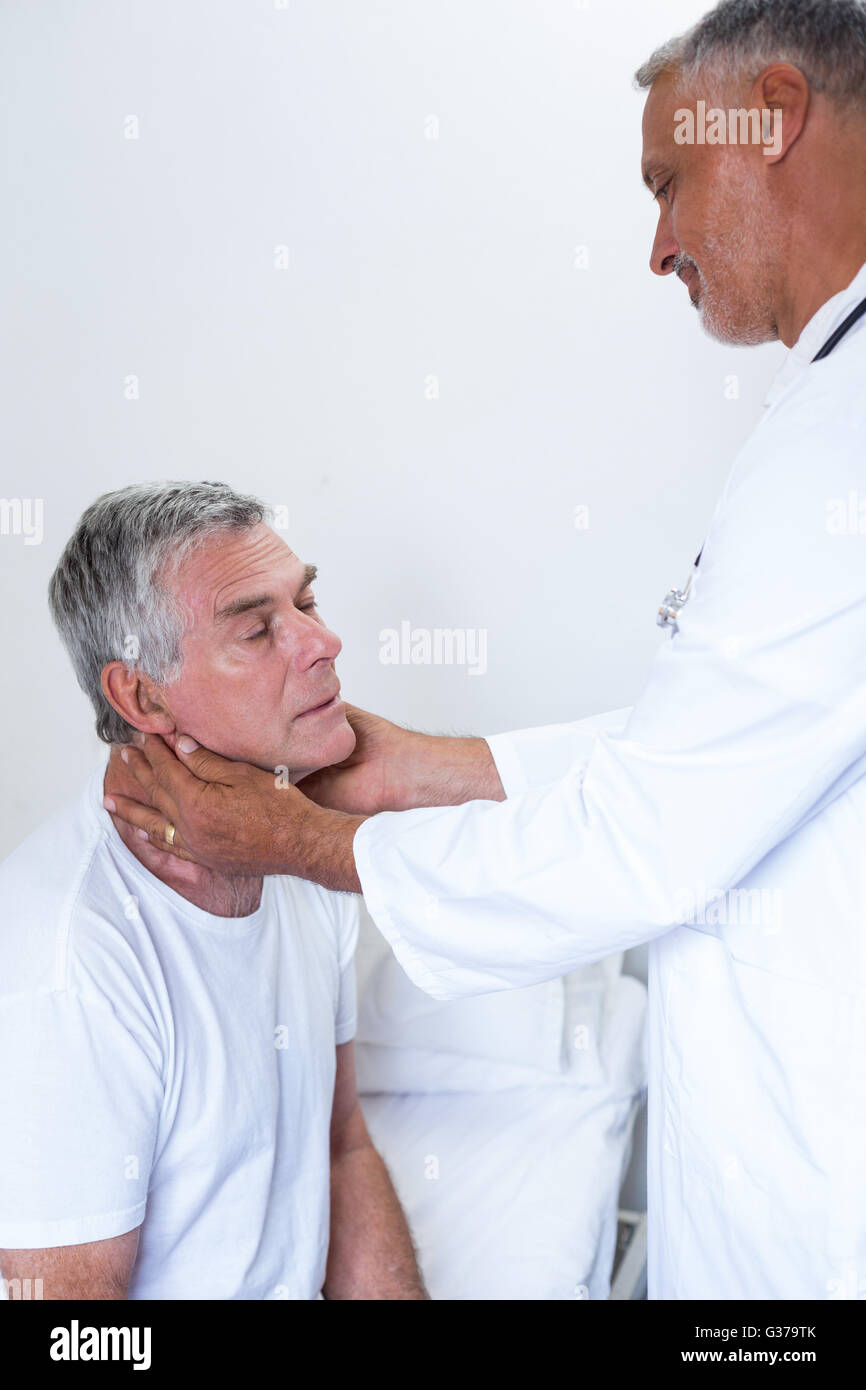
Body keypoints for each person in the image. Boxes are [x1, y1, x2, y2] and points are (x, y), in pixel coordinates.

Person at [106, 0, 866, 1299]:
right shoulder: (83, 955)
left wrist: (307, 843)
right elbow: (710, 756)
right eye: (254, 623)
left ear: (774, 116)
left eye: (666, 184)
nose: (657, 246)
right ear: (133, 693)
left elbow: (651, 832)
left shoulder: (839, 443)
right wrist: (418, 770)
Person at [0, 481, 426, 1301]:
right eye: (259, 628)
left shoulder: (305, 852)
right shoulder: (65, 962)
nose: (324, 640)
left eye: (305, 601)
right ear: (141, 695)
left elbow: (339, 1145)